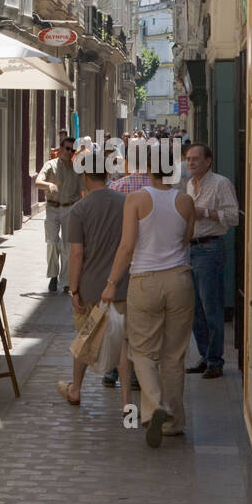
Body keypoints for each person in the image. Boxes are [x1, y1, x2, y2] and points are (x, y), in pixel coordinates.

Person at [101, 164, 195, 447]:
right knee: (174, 354)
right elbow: (187, 238)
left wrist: (111, 283)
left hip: (144, 279)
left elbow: (127, 246)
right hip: (179, 279)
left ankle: (154, 406)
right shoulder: (185, 201)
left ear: (150, 173)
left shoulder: (137, 199)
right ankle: (175, 422)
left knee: (141, 351)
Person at [58, 165, 132, 408]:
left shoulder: (80, 209)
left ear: (86, 177)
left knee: (85, 336)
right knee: (122, 343)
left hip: (91, 289)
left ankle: (76, 389)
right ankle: (126, 403)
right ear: (108, 175)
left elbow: (76, 254)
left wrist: (74, 289)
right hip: (121, 285)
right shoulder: (126, 203)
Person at [185, 142, 240, 379]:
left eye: (196, 159)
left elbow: (233, 216)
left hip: (211, 248)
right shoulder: (189, 184)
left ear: (208, 161)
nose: (191, 163)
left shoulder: (220, 183)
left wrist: (205, 212)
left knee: (211, 307)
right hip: (192, 248)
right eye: (188, 159)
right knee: (195, 308)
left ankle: (216, 360)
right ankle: (205, 356)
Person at [34, 135, 83, 294]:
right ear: (61, 149)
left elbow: (85, 188)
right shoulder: (51, 165)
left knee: (68, 246)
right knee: (53, 241)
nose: (70, 152)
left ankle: (66, 281)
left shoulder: (77, 169)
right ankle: (53, 276)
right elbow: (38, 182)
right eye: (67, 148)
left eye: (72, 150)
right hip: (53, 208)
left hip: (70, 208)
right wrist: (49, 184)